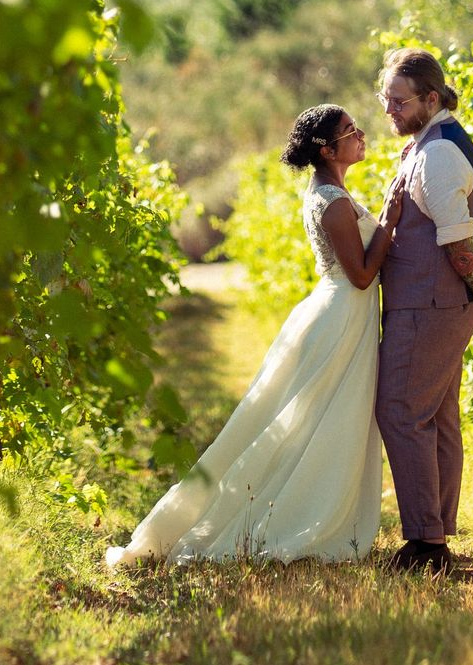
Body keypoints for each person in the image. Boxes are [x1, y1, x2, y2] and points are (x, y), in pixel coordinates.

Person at [106, 105, 403, 566]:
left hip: (345, 313)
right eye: (350, 131)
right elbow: (362, 276)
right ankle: (294, 518)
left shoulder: (332, 191)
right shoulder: (332, 201)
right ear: (328, 150)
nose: (361, 134)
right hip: (342, 315)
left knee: (322, 420)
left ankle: (315, 509)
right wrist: (389, 220)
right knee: (315, 420)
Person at [374, 48, 473, 575]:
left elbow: (456, 237)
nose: (390, 110)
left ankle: (427, 545)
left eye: (399, 101)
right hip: (429, 301)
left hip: (429, 304)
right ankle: (436, 534)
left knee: (401, 410)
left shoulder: (440, 153)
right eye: (386, 100)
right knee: (435, 416)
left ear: (431, 98)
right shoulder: (427, 143)